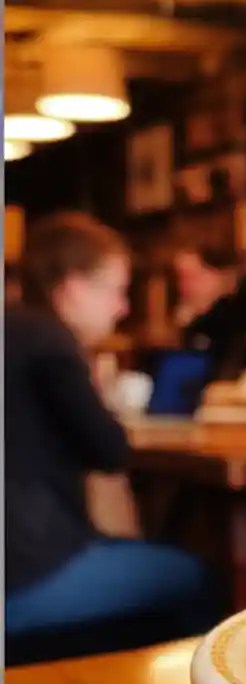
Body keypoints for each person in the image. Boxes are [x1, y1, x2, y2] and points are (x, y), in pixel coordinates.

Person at [6, 212, 216, 653]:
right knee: (196, 577)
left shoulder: (16, 332)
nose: (122, 308)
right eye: (117, 291)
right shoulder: (50, 342)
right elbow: (108, 450)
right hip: (26, 575)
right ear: (74, 287)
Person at [173, 241, 246, 381]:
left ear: (221, 275)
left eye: (191, 277)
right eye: (179, 279)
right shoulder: (196, 321)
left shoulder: (243, 312)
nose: (183, 287)